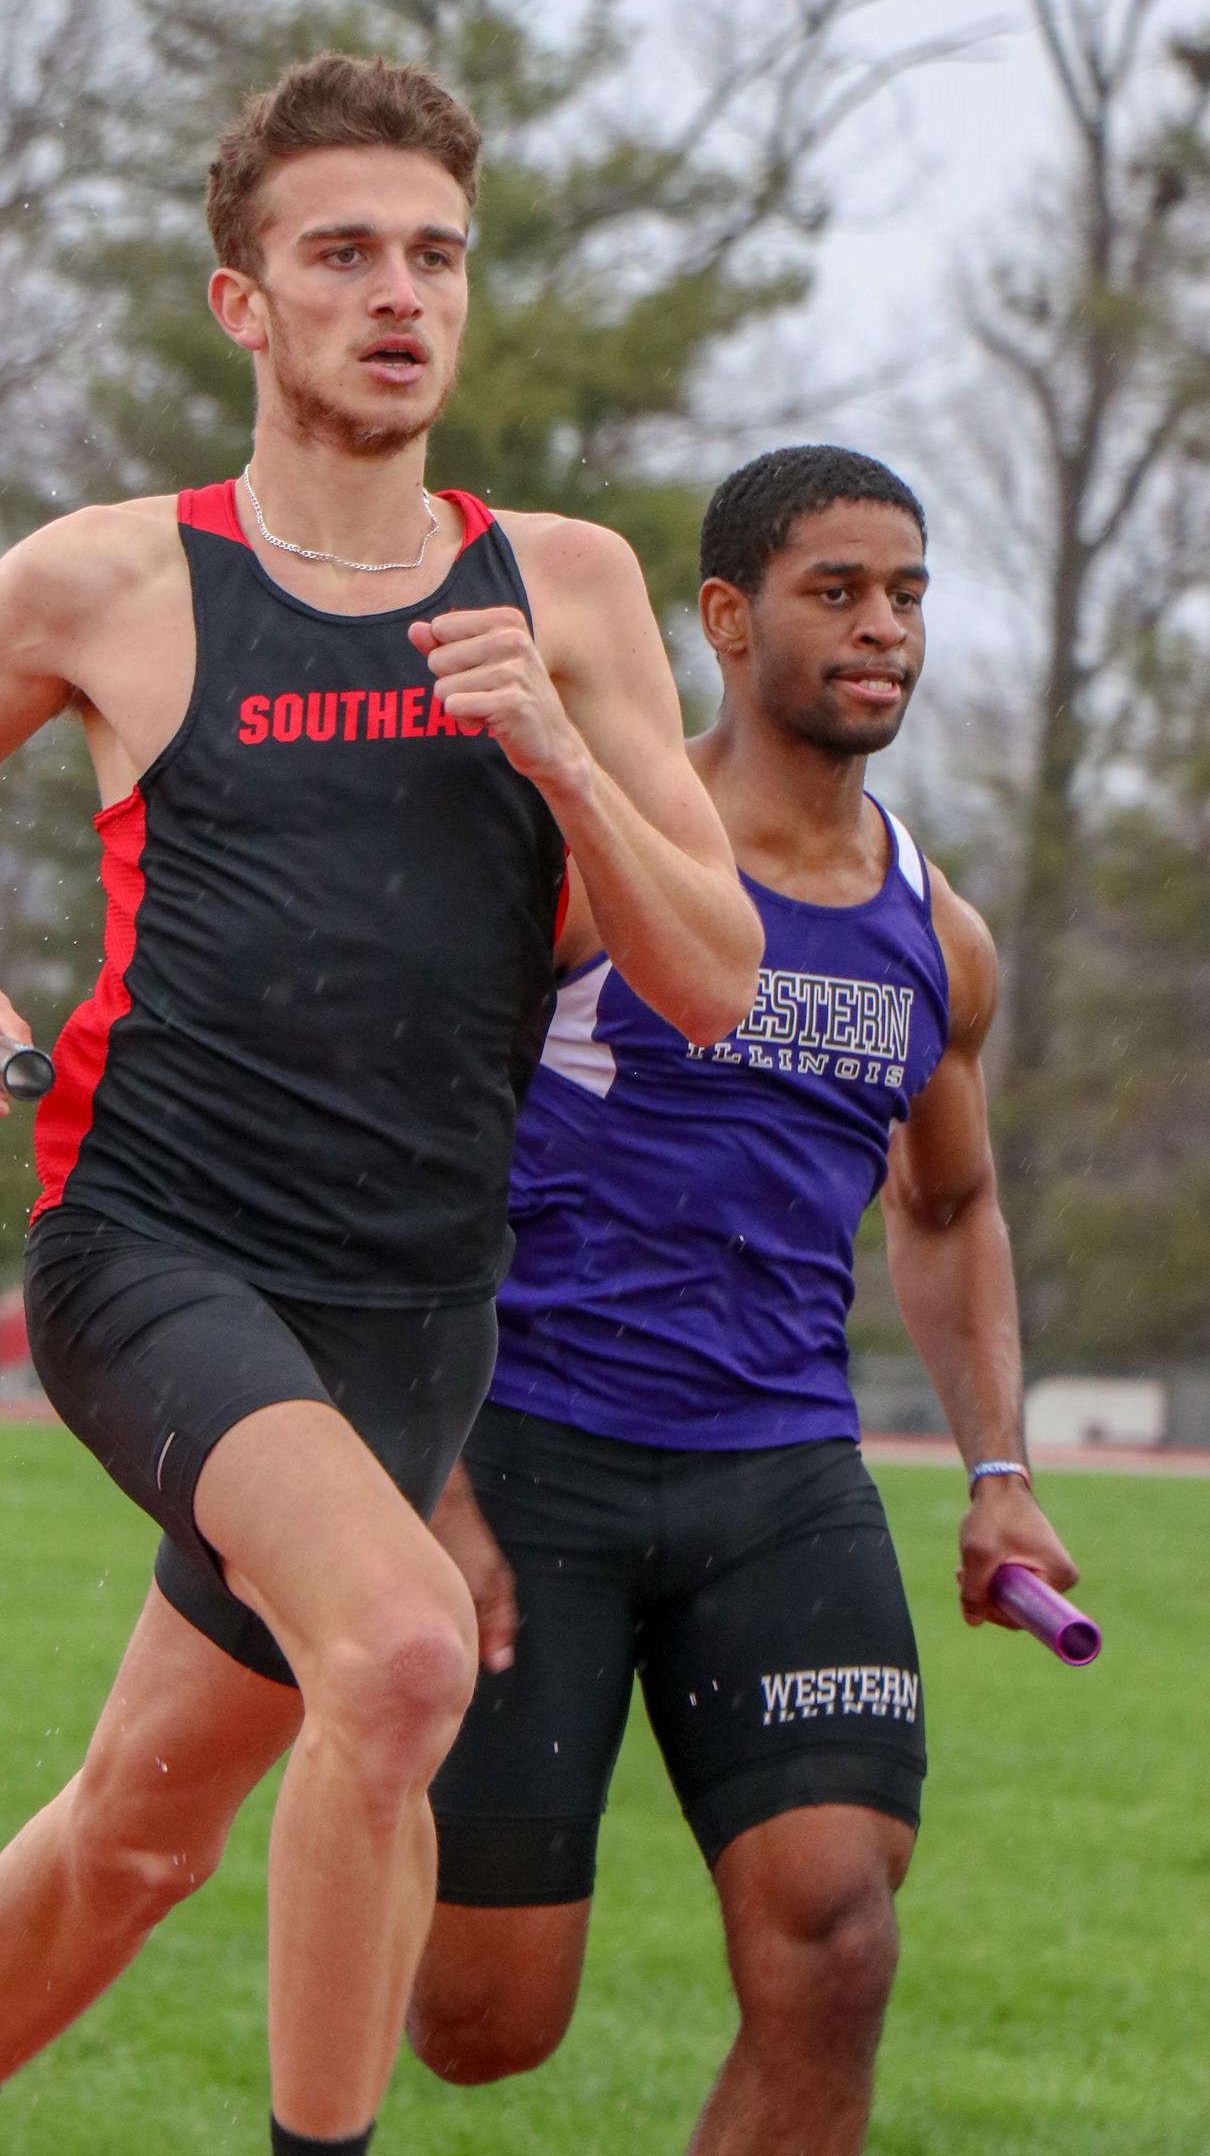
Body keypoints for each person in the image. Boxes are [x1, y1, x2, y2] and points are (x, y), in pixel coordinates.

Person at [0, 52, 762, 2156]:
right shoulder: (109, 580)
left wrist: (563, 758)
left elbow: (711, 977)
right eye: (342, 255)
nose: (398, 294)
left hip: (410, 1309)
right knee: (403, 1657)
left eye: (434, 256)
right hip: (150, 1249)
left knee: (143, 1828)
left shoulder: (568, 590)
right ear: (243, 302)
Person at [409, 444, 1079, 2156]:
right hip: (528, 1461)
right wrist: (427, 1473)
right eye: (833, 592)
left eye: (906, 594)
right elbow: (407, 1158)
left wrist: (997, 1468)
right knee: (482, 2027)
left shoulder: (939, 935)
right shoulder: (589, 857)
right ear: (723, 617)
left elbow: (950, 1206)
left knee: (836, 1937)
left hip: (777, 1475)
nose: (882, 629)